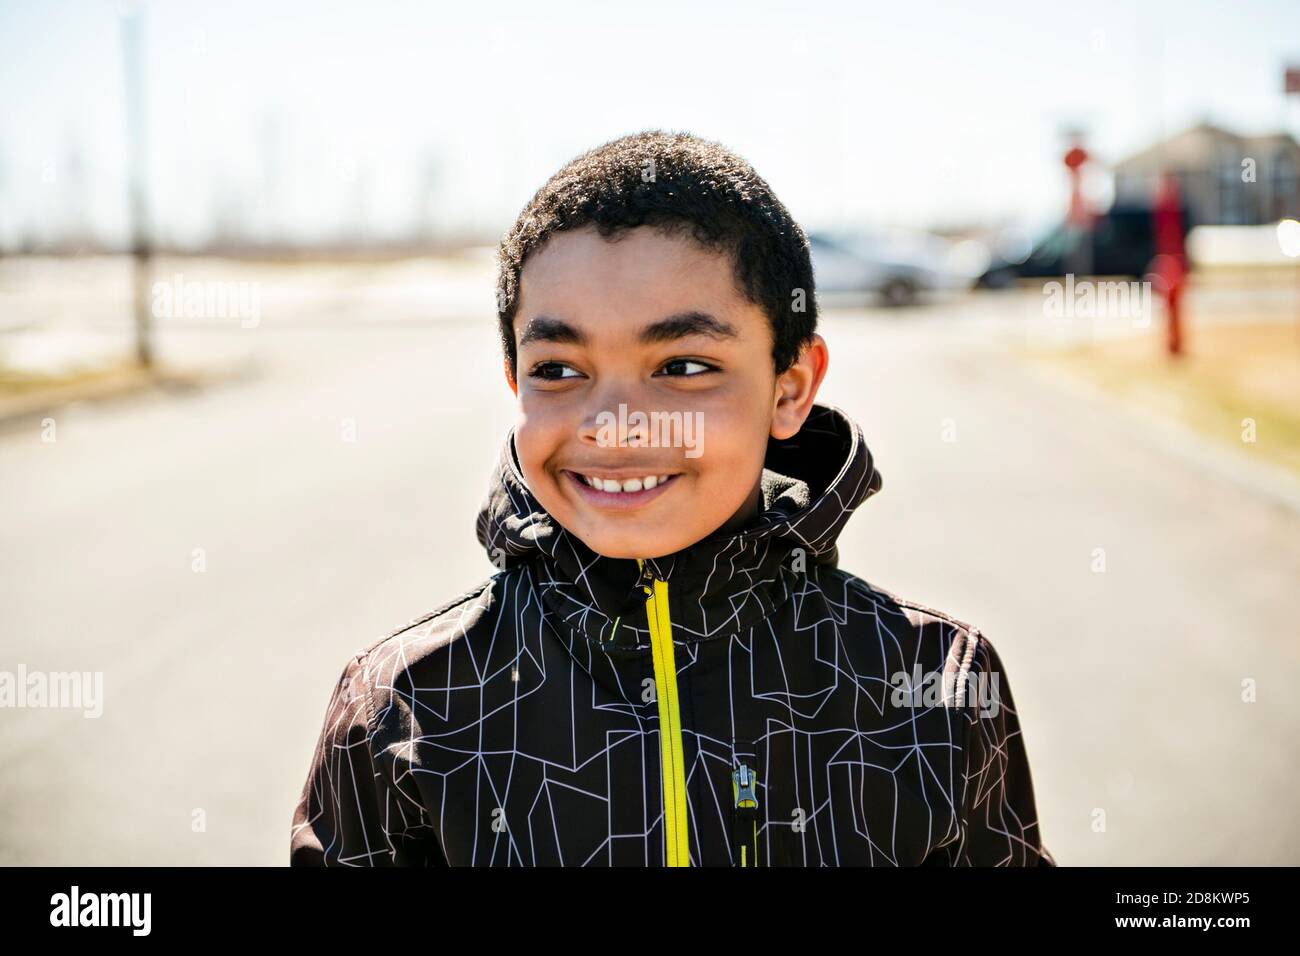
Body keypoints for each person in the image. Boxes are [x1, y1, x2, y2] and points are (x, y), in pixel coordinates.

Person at [289, 130, 1055, 867]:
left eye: (684, 366)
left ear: (790, 387)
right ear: (514, 381)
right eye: (559, 369)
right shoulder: (406, 703)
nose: (615, 427)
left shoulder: (936, 687)